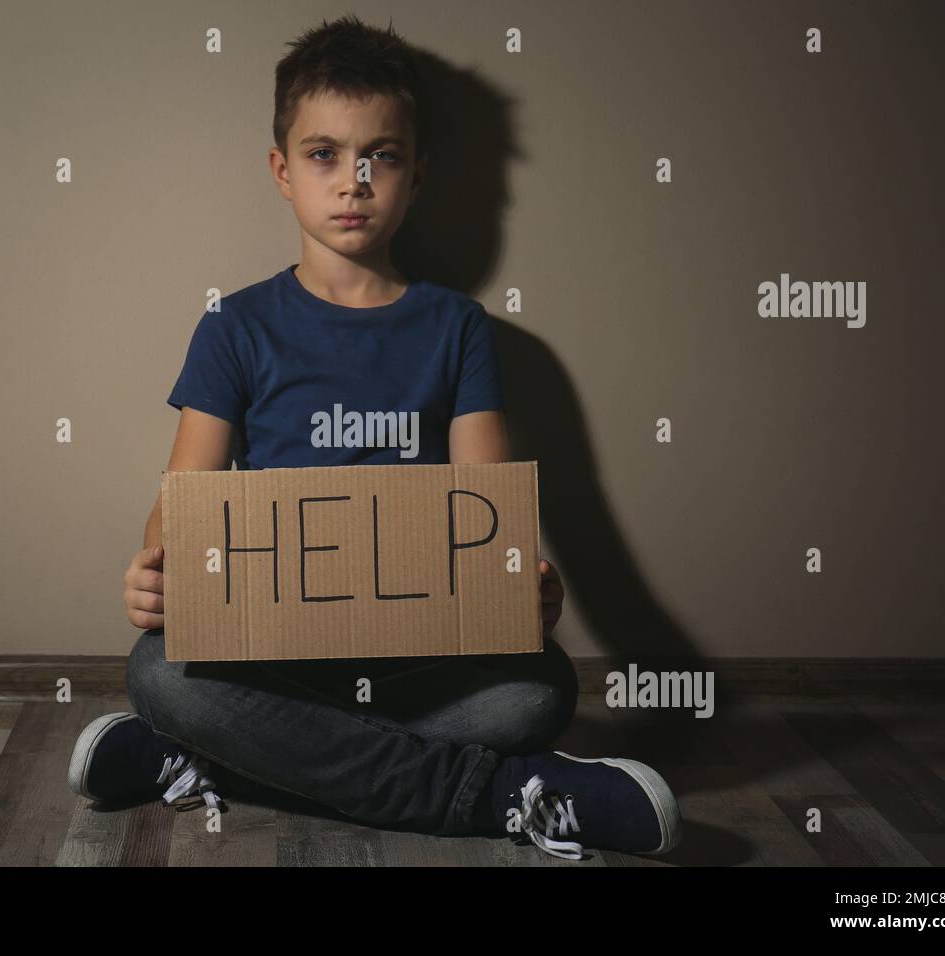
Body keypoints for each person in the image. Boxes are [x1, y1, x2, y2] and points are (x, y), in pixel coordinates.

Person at [67, 14, 682, 861]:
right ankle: (499, 798)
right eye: (325, 154)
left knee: (538, 690)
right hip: (274, 660)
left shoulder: (458, 330)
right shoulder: (234, 328)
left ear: (415, 174)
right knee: (157, 670)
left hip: (415, 667)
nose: (353, 180)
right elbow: (179, 516)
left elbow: (486, 511)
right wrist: (154, 578)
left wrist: (522, 586)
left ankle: (215, 760)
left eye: (380, 156)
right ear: (282, 172)